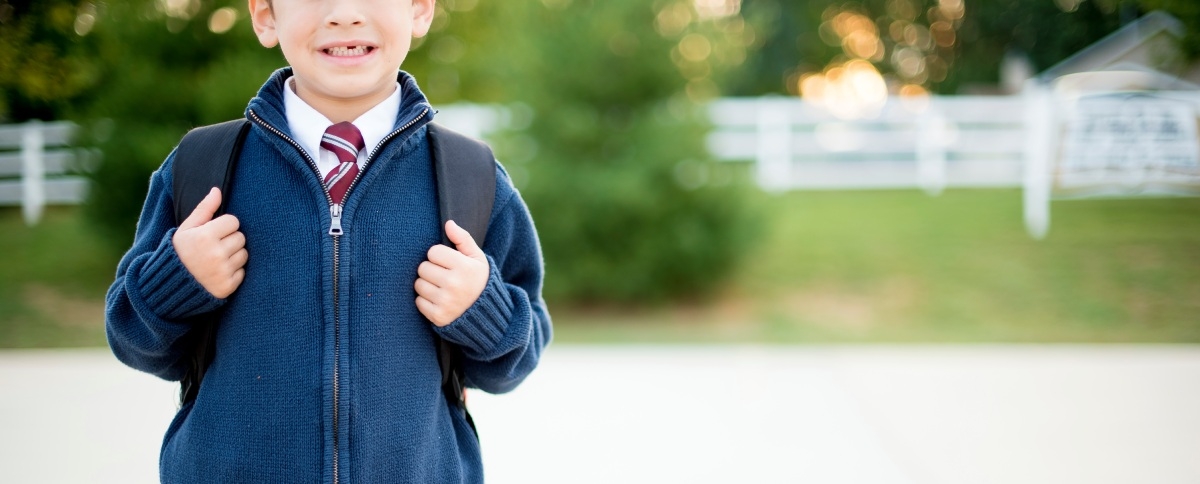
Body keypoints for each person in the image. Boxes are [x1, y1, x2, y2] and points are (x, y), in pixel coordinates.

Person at [104, 0, 552, 481]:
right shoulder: (203, 166)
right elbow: (134, 340)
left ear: (420, 10)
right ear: (265, 16)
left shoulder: (469, 176)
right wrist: (177, 281)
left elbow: (514, 361)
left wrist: (481, 310)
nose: (344, 13)